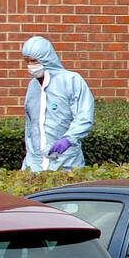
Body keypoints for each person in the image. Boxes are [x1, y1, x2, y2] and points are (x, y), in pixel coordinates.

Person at [21, 36, 95, 172]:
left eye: (33, 61)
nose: (30, 66)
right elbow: (31, 127)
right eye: (27, 61)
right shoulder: (33, 86)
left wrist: (68, 140)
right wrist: (28, 163)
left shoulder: (71, 81)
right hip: (35, 166)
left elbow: (84, 117)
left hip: (66, 163)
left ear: (46, 58)